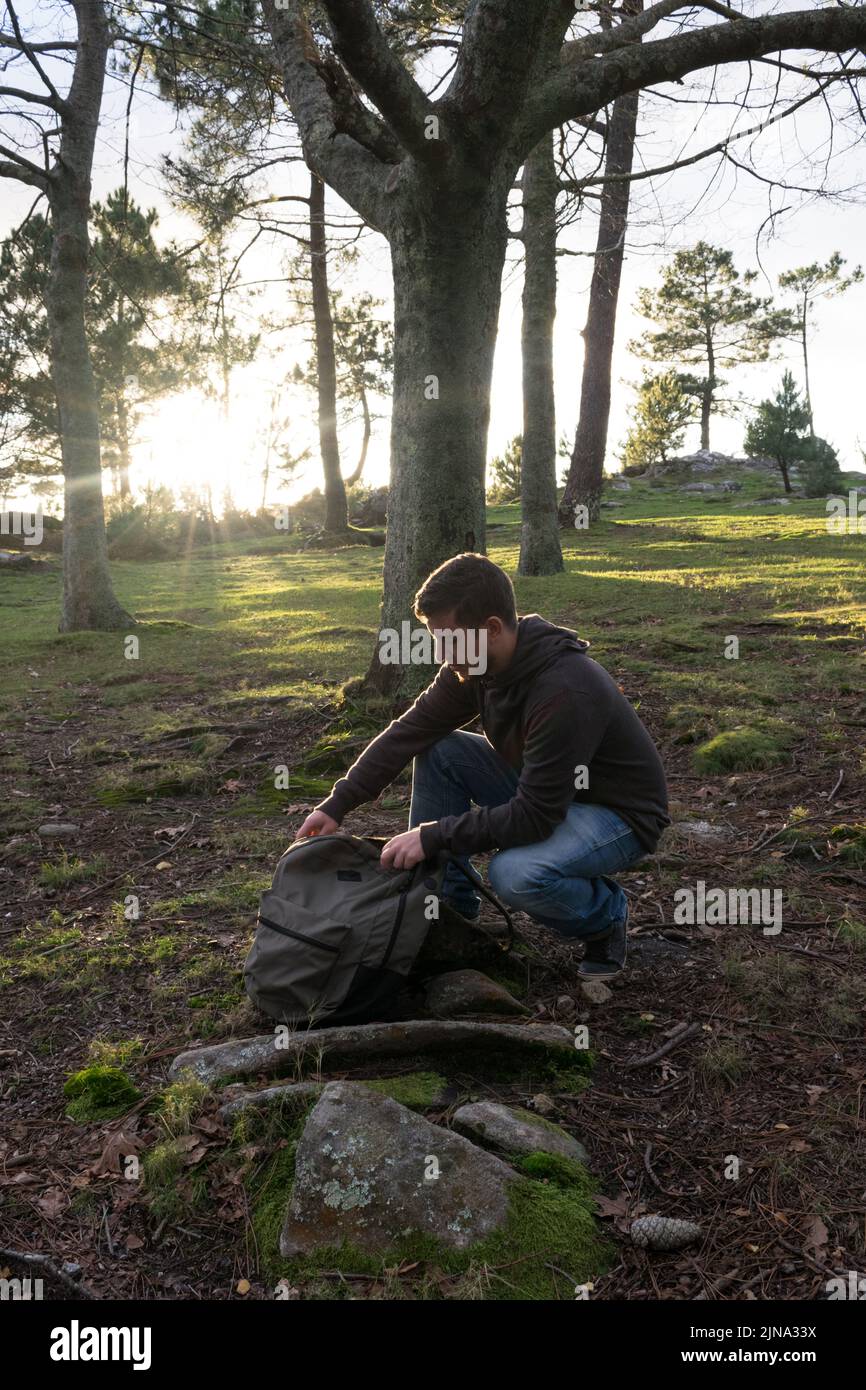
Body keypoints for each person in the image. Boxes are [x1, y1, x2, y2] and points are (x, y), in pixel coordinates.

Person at [297, 553, 669, 979]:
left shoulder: (565, 690)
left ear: (491, 629)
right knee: (441, 750)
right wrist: (336, 805)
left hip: (617, 814)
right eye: (437, 640)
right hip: (548, 790)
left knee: (515, 874)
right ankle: (449, 909)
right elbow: (410, 731)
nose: (442, 653)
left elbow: (535, 817)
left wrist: (433, 836)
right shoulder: (473, 666)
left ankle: (606, 917)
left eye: (450, 640)